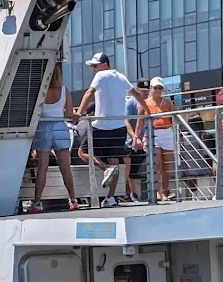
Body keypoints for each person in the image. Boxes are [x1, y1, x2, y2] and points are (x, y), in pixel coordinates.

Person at [76, 52, 140, 207]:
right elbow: (136, 94)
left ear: (104, 64)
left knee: (82, 152)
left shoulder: (101, 75)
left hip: (101, 125)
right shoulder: (121, 77)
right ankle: (110, 197)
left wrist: (78, 112)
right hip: (119, 127)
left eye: (95, 66)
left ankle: (105, 169)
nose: (93, 69)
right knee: (114, 161)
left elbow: (89, 93)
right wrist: (148, 111)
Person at [26, 68, 80, 212]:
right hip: (60, 127)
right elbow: (69, 114)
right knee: (65, 168)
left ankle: (37, 202)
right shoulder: (64, 91)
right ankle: (73, 200)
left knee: (42, 168)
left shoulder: (39, 91)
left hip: (43, 128)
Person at [145, 79, 177, 203]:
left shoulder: (168, 102)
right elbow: (140, 121)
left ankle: (164, 191)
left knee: (167, 165)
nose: (158, 90)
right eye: (155, 88)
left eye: (160, 88)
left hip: (167, 133)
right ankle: (158, 191)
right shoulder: (145, 103)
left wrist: (179, 135)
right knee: (158, 163)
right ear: (151, 88)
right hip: (153, 134)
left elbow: (174, 118)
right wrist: (136, 136)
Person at [124, 79, 149, 203]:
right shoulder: (131, 102)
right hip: (133, 141)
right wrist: (135, 137)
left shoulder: (149, 102)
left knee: (149, 167)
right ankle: (132, 193)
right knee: (133, 169)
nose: (146, 93)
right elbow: (126, 122)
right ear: (137, 90)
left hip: (147, 140)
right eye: (143, 91)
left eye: (147, 91)